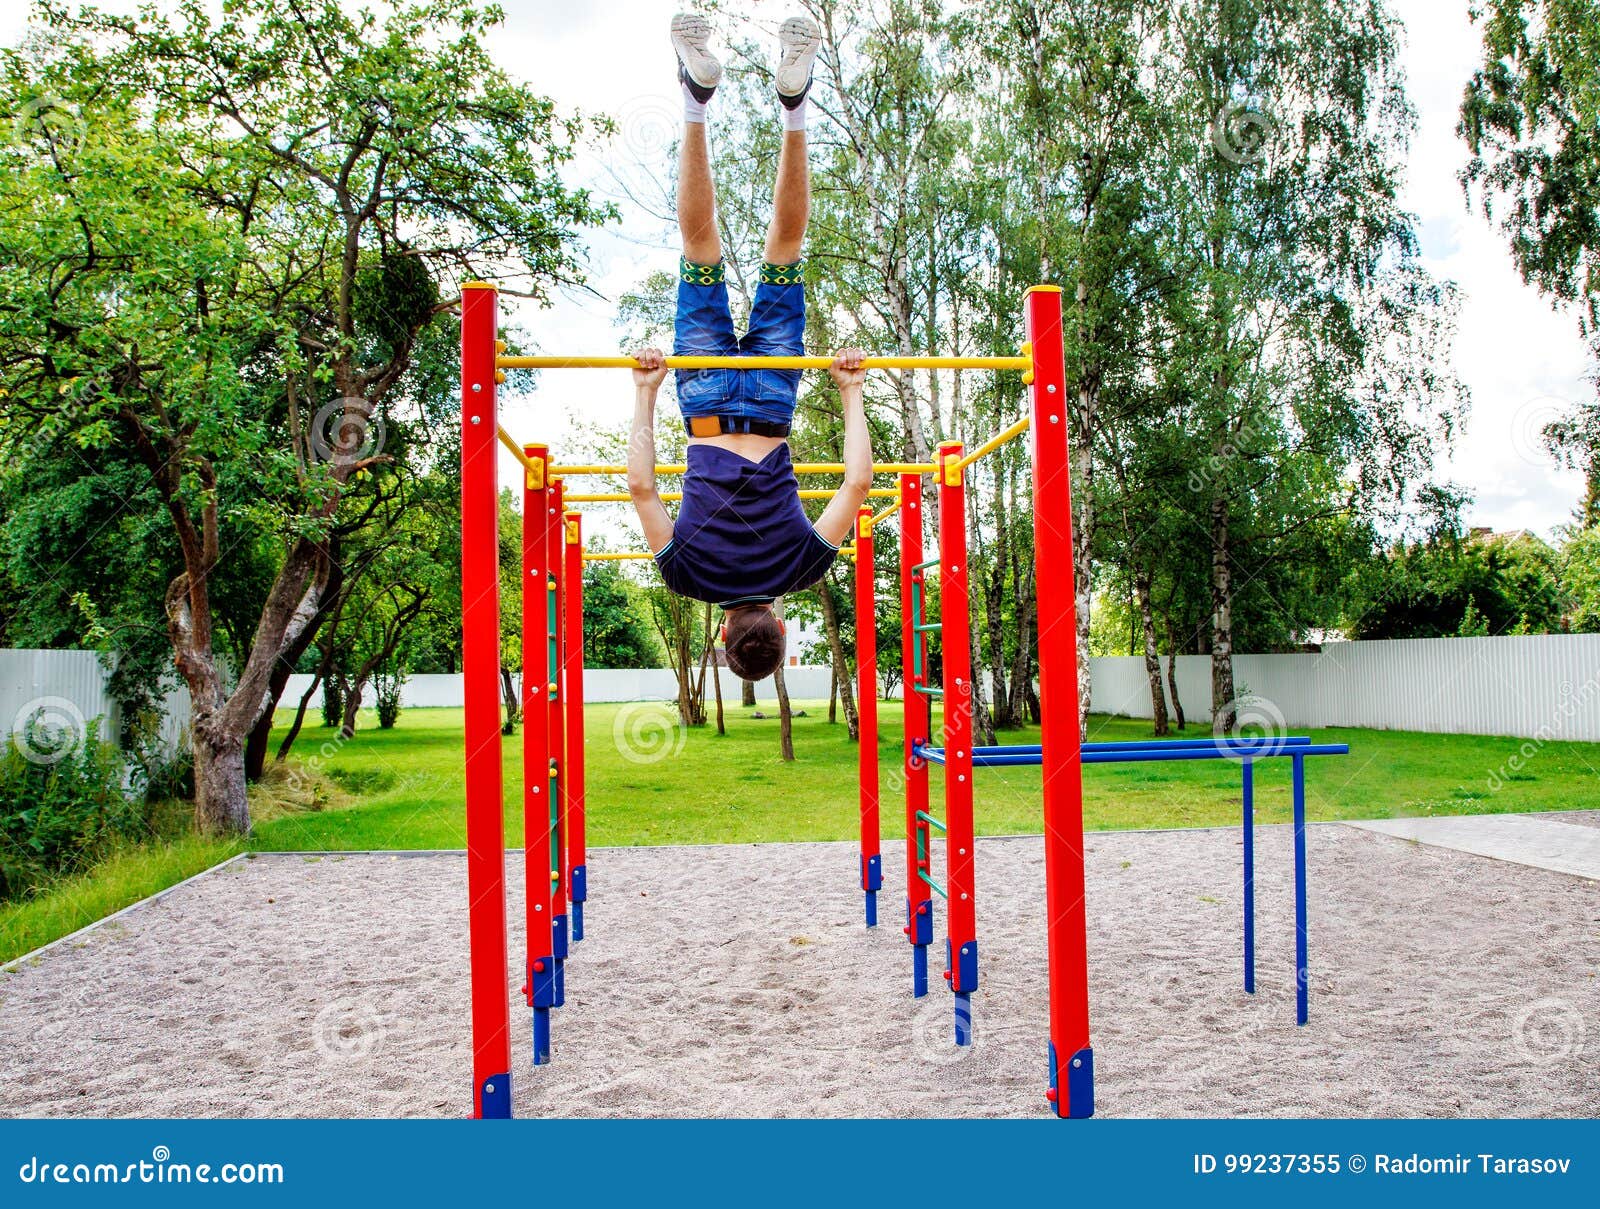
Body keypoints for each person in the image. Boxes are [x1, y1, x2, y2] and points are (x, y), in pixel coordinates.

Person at [629, 12, 873, 684]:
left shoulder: (803, 566)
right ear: (724, 632)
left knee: (784, 254)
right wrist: (645, 392)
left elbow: (857, 482)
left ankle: (795, 106)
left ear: (783, 629)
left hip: (770, 400)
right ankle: (695, 97)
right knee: (699, 251)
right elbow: (641, 485)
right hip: (704, 401)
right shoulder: (686, 577)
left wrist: (850, 389)